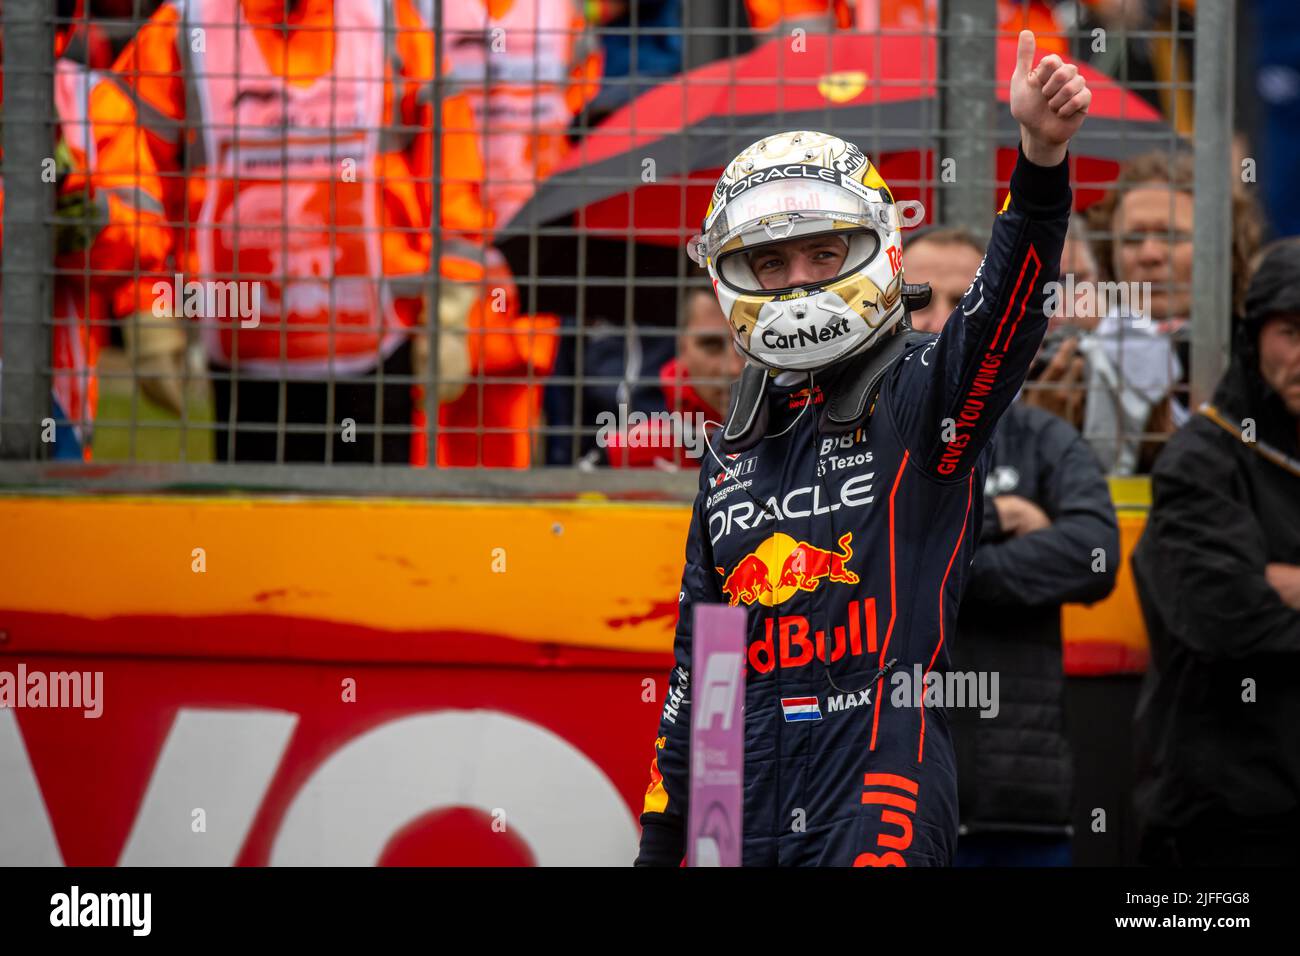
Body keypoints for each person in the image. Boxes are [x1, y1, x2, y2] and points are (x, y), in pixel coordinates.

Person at [635, 31, 1091, 866]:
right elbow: (705, 676)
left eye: (823, 252)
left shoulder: (924, 387)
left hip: (877, 783)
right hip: (736, 793)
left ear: (879, 249)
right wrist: (668, 840)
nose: (798, 279)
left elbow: (1002, 318)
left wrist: (1040, 160)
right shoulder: (732, 440)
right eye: (769, 262)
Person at [88, 0, 490, 463]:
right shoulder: (186, 27)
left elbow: (451, 170)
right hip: (243, 352)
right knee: (261, 524)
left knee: (370, 526)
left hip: (378, 352)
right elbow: (132, 174)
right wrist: (148, 308)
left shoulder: (390, 23)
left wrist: (451, 311)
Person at [904, 228, 1120, 868]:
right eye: (920, 298)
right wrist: (1003, 515)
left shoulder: (1043, 438)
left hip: (1018, 808)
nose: (941, 321)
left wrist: (939, 562)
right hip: (882, 804)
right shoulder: (854, 438)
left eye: (964, 300)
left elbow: (1092, 555)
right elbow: (855, 567)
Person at [1131, 238, 1300, 867]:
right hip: (1219, 816)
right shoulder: (1203, 456)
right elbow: (1224, 616)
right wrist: (1257, 589)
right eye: (1290, 331)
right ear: (1254, 340)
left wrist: (1281, 581)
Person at [1083, 150, 1261, 474]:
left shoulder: (1261, 352)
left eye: (1171, 236)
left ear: (1226, 249)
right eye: (1133, 239)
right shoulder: (1077, 359)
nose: (1150, 255)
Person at [605, 288, 744, 468]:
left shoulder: (792, 439)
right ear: (682, 347)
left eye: (745, 343)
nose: (733, 368)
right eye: (711, 344)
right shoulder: (628, 453)